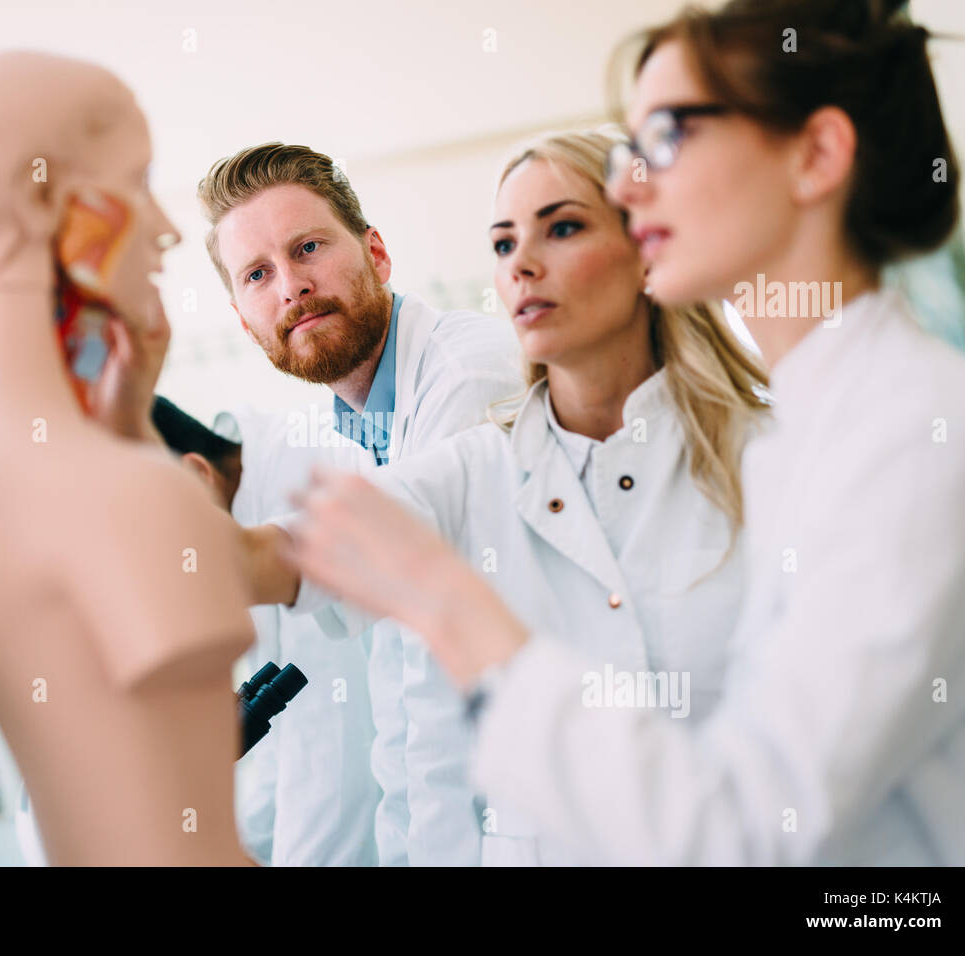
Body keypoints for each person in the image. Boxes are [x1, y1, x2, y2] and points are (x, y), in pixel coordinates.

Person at [282, 0, 965, 864]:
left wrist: (453, 604)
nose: (627, 186)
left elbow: (745, 831)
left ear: (815, 155)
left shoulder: (913, 433)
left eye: (670, 136)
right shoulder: (815, 429)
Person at [247, 127, 769, 864]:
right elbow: (302, 550)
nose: (521, 263)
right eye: (502, 243)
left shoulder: (776, 460)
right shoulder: (480, 463)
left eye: (562, 228)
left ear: (648, 246)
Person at [0, 51, 255, 865]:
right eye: (139, 178)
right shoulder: (126, 495)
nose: (165, 228)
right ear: (43, 199)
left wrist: (128, 420)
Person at [199, 143, 523, 864]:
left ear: (375, 253)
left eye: (308, 247)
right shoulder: (357, 423)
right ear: (245, 317)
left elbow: (443, 693)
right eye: (258, 274)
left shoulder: (463, 380)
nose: (291, 287)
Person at [150, 396, 381, 866]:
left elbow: (334, 776)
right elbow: (282, 760)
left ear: (196, 479)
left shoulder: (301, 480)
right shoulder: (233, 496)